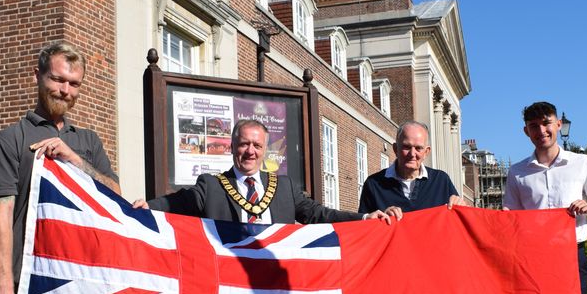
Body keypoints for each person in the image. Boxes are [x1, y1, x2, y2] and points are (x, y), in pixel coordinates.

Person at [0, 41, 121, 294]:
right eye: (57, 79)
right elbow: (2, 216)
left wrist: (73, 158)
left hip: (85, 278)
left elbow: (115, 195)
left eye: (74, 84)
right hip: (31, 281)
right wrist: (4, 287)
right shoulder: (10, 140)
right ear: (37, 76)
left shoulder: (88, 141)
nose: (65, 90)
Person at [134, 119, 401, 224]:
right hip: (230, 280)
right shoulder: (212, 185)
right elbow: (180, 201)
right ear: (232, 147)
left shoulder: (283, 186)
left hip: (275, 284)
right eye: (243, 144)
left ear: (264, 149)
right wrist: (149, 206)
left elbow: (318, 214)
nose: (250, 151)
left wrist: (364, 218)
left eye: (257, 145)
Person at [503, 101, 587, 294]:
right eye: (534, 126)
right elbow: (510, 215)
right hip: (533, 258)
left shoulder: (581, 162)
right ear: (526, 131)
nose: (541, 130)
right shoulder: (517, 172)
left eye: (546, 123)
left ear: (559, 124)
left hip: (572, 254)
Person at [358, 120, 462, 214]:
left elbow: (460, 222)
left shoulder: (441, 181)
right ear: (395, 149)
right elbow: (362, 228)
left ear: (426, 152)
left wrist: (459, 206)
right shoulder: (373, 184)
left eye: (418, 148)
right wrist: (381, 220)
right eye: (406, 147)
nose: (412, 153)